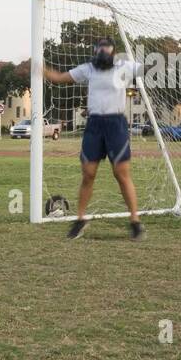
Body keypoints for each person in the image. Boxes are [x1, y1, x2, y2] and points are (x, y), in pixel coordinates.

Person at [44, 37, 144, 240]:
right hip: (94, 125)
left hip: (116, 124)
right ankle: (80, 220)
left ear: (113, 52)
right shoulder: (88, 68)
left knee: (121, 174)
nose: (103, 53)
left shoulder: (124, 66)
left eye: (107, 50)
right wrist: (41, 69)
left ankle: (135, 221)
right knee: (88, 173)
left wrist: (162, 64)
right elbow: (61, 77)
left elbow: (148, 68)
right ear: (96, 51)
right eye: (100, 50)